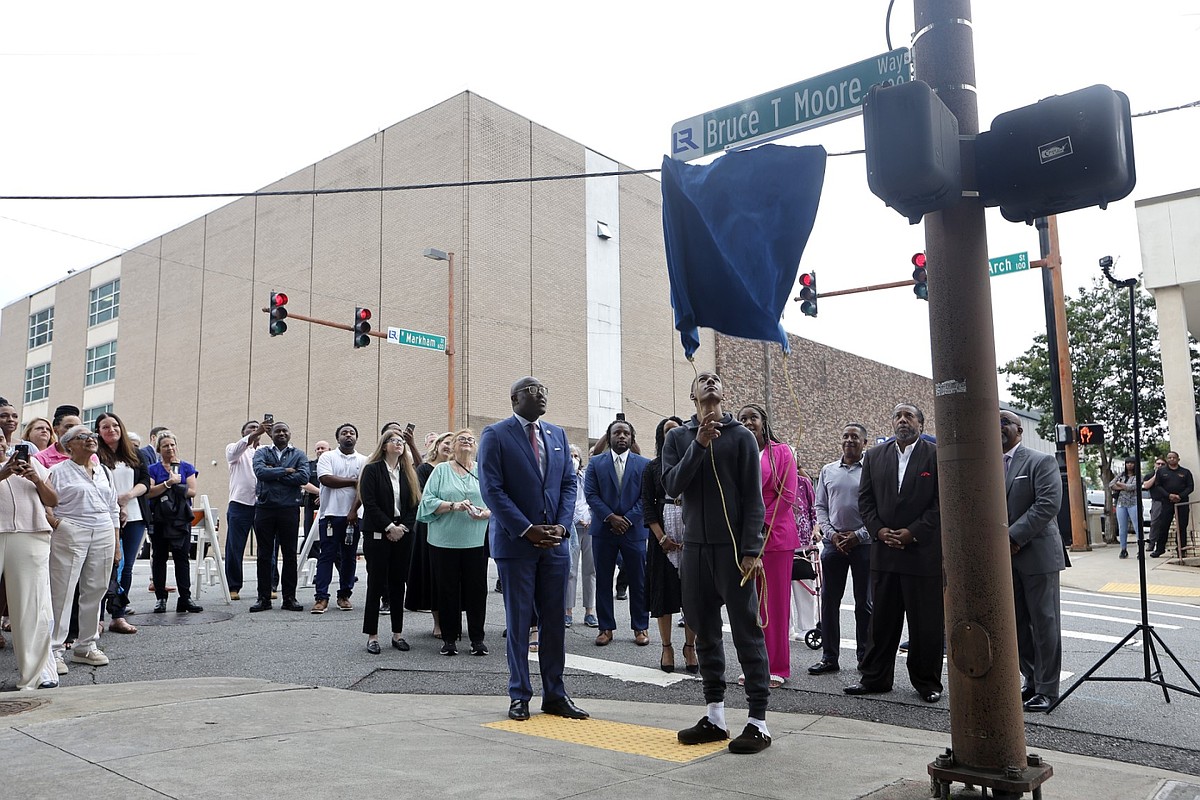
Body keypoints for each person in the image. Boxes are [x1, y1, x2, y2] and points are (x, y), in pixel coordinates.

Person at [662, 370, 771, 755]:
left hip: (732, 551)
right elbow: (672, 485)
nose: (709, 382)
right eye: (702, 380)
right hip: (694, 549)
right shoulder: (677, 437)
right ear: (692, 394)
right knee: (704, 632)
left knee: (746, 631)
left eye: (715, 379)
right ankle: (715, 716)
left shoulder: (741, 436)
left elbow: (753, 499)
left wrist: (751, 549)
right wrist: (699, 444)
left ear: (723, 392)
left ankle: (758, 721)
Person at [478, 376, 588, 722]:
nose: (540, 394)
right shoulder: (495, 435)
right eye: (532, 390)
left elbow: (568, 483)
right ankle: (519, 695)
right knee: (520, 621)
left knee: (554, 623)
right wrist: (527, 529)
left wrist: (560, 525)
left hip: (554, 544)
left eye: (544, 390)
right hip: (517, 544)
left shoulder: (557, 434)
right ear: (514, 399)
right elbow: (492, 489)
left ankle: (555, 694)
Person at [845, 403, 943, 704]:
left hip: (921, 552)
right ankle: (875, 678)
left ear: (921, 425)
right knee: (882, 620)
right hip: (884, 551)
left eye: (909, 416)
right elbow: (865, 500)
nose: (902, 420)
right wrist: (879, 530)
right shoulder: (875, 456)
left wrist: (913, 532)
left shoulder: (936, 456)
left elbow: (941, 503)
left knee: (925, 622)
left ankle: (927, 682)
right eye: (898, 416)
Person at [46, 425, 121, 675]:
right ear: (69, 445)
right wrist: (58, 524)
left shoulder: (105, 472)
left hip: (103, 531)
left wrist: (116, 540)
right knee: (63, 589)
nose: (91, 439)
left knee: (96, 588)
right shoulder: (57, 471)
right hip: (71, 529)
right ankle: (54, 649)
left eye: (92, 436)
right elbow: (45, 504)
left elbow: (113, 508)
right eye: (83, 437)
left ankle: (86, 645)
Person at [737, 403, 799, 688]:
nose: (749, 422)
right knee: (747, 606)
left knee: (773, 604)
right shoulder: (737, 453)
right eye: (743, 419)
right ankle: (752, 665)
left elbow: (787, 496)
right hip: (742, 539)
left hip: (774, 537)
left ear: (764, 423)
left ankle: (777, 667)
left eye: (754, 418)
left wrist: (760, 523)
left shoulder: (782, 452)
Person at [418, 429, 492, 656]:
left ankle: (477, 639)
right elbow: (427, 501)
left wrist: (485, 513)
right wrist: (453, 506)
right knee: (447, 589)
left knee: (477, 590)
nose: (467, 442)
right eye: (462, 439)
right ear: (452, 446)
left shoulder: (483, 470)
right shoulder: (440, 470)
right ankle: (449, 639)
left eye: (471, 439)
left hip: (475, 540)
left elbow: (497, 501)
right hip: (444, 541)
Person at [810, 423, 873, 676]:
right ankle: (829, 657)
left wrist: (858, 535)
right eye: (845, 436)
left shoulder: (871, 471)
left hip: (864, 545)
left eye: (855, 437)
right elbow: (820, 506)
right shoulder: (828, 470)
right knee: (829, 602)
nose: (849, 440)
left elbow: (877, 508)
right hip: (833, 545)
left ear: (864, 443)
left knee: (864, 604)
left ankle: (864, 658)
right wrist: (831, 533)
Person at [0, 428, 59, 689]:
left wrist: (36, 479)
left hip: (30, 533)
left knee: (32, 605)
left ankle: (38, 674)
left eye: (1, 438)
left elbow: (52, 500)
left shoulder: (31, 463)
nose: (0, 442)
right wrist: (3, 473)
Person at [586, 417, 651, 648]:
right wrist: (611, 518)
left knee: (639, 580)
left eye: (625, 433)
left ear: (632, 438)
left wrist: (627, 520)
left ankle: (640, 627)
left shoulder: (644, 464)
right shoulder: (595, 463)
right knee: (603, 579)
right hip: (604, 530)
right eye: (617, 433)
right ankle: (605, 628)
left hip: (634, 532)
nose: (621, 436)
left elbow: (646, 498)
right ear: (609, 437)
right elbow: (591, 495)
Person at [641, 416, 697, 674]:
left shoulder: (694, 462)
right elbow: (647, 506)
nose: (673, 435)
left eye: (677, 430)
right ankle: (666, 647)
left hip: (691, 533)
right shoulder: (652, 467)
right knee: (663, 594)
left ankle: (690, 646)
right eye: (667, 431)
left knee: (693, 595)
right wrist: (661, 537)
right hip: (662, 535)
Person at [357, 428, 420, 654]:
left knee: (397, 584)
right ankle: (373, 636)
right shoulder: (372, 470)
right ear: (384, 446)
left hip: (403, 534)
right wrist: (388, 527)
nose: (399, 443)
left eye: (401, 441)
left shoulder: (408, 471)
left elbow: (414, 504)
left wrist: (402, 527)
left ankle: (397, 634)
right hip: (378, 533)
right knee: (376, 584)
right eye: (393, 440)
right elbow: (369, 502)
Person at [94, 412, 148, 634]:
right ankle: (97, 618)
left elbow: (145, 481)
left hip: (135, 515)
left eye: (115, 425)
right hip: (107, 516)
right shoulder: (95, 454)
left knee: (126, 567)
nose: (111, 430)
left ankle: (119, 615)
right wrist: (116, 504)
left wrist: (127, 497)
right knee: (105, 567)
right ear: (98, 431)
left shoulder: (135, 453)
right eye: (105, 427)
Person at [250, 422, 308, 612]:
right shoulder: (262, 452)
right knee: (264, 555)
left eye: (285, 430)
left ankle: (289, 599)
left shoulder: (299, 454)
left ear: (290, 433)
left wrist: (272, 472)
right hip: (265, 509)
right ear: (271, 434)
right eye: (277, 431)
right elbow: (260, 472)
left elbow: (303, 478)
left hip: (289, 509)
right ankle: (263, 598)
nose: (281, 433)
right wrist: (286, 470)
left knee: (290, 555)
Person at [144, 432, 203, 614]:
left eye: (172, 445)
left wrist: (179, 486)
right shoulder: (153, 469)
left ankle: (185, 598)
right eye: (165, 446)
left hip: (181, 519)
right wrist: (168, 483)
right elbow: (149, 492)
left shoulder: (186, 467)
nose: (169, 448)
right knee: (160, 558)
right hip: (160, 518)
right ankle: (161, 598)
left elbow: (192, 491)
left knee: (182, 558)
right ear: (159, 449)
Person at [312, 426, 366, 614]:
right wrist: (353, 481)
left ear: (357, 438)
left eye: (352, 432)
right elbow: (327, 479)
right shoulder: (327, 457)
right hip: (330, 515)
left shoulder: (364, 460)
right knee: (326, 556)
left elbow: (364, 489)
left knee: (349, 557)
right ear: (337, 438)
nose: (348, 435)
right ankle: (321, 598)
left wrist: (353, 511)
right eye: (344, 433)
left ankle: (344, 596)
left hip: (354, 517)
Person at [409, 431, 453, 636]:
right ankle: (438, 622)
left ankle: (453, 620)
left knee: (454, 576)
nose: (450, 446)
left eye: (454, 443)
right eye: (446, 442)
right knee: (434, 576)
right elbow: (424, 498)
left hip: (455, 526)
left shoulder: (460, 469)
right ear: (437, 445)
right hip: (430, 526)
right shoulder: (425, 469)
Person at [225, 420, 269, 601]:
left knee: (268, 547)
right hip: (239, 504)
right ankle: (233, 586)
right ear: (243, 433)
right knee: (235, 547)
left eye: (258, 427)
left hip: (264, 504)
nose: (255, 430)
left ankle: (270, 585)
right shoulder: (234, 449)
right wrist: (253, 435)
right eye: (250, 428)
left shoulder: (266, 451)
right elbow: (235, 451)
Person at [565, 443, 597, 629]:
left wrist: (591, 518)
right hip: (573, 527)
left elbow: (591, 498)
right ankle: (567, 611)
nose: (573, 459)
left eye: (576, 456)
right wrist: (578, 518)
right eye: (570, 456)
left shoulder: (586, 477)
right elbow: (567, 502)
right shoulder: (562, 478)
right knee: (570, 570)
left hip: (590, 527)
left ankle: (589, 611)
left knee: (590, 570)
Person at [1148, 451, 1193, 558]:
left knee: (1182, 526)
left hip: (1182, 503)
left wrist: (1180, 496)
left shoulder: (1185, 472)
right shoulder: (1161, 472)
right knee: (1163, 526)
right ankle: (1160, 549)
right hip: (1166, 502)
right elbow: (1158, 486)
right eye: (1169, 458)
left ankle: (1181, 549)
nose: (1171, 459)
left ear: (1178, 459)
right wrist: (1169, 495)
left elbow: (1190, 487)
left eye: (1174, 457)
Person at [302, 440, 331, 551]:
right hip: (312, 504)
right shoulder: (309, 466)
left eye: (322, 448)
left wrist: (325, 495)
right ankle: (313, 559)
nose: (320, 451)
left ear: (329, 450)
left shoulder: (334, 465)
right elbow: (303, 482)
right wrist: (320, 492)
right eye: (318, 449)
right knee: (311, 536)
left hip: (331, 504)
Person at [1109, 458, 1141, 559]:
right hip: (1121, 503)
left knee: (1137, 527)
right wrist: (1123, 486)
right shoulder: (1121, 475)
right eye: (1128, 463)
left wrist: (1121, 485)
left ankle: (1140, 549)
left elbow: (1132, 487)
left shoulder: (1138, 476)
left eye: (1132, 463)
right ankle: (1123, 549)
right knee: (1122, 528)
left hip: (1134, 502)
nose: (1129, 465)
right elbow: (1111, 484)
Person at [35, 405, 83, 469]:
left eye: (78, 427)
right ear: (55, 430)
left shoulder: (89, 455)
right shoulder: (40, 458)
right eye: (69, 427)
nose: (74, 430)